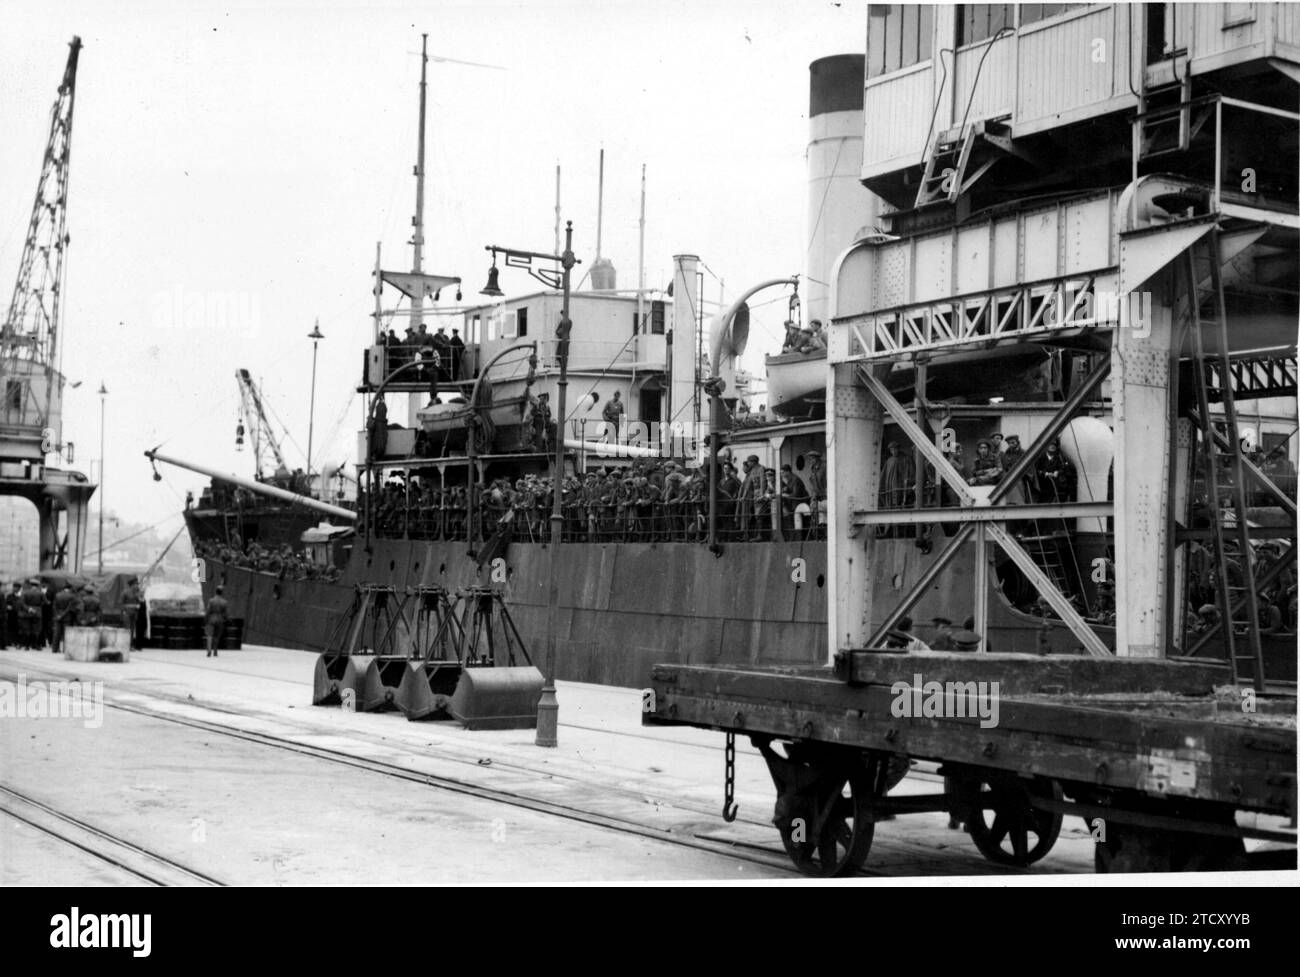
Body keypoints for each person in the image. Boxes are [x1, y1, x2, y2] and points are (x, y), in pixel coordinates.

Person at [206, 586, 230, 658]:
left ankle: (209, 650)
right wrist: (226, 620)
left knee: (209, 635)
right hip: (220, 620)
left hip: (211, 619)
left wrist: (206, 619)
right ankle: (215, 651)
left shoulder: (211, 601)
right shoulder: (224, 602)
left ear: (215, 592)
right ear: (221, 593)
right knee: (217, 637)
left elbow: (208, 611)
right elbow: (226, 613)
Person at [52, 583, 76, 655]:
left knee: (56, 633)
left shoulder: (57, 595)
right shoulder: (71, 596)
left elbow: (54, 606)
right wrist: (62, 615)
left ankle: (55, 648)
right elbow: (69, 608)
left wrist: (57, 615)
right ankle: (65, 649)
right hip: (66, 616)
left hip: (57, 615)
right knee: (66, 633)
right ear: (70, 588)